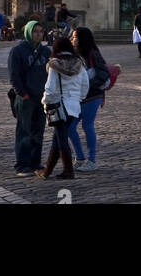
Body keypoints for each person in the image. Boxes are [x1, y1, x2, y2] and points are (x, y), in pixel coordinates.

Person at [36, 36, 89, 180]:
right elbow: (85, 85)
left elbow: (50, 88)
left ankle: (68, 171)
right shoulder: (80, 64)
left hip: (60, 106)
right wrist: (79, 98)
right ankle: (47, 171)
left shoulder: (55, 65)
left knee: (62, 140)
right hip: (74, 106)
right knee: (57, 140)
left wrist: (45, 102)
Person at [8, 21, 50, 176]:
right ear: (28, 33)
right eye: (35, 31)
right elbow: (14, 75)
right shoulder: (18, 51)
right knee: (24, 131)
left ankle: (35, 162)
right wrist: (22, 93)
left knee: (38, 131)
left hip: (42, 97)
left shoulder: (45, 51)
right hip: (25, 97)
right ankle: (22, 164)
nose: (38, 34)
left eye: (40, 31)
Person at [70, 26, 110, 172]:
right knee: (69, 127)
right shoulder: (74, 54)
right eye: (72, 36)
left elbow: (103, 74)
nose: (73, 39)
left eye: (75, 37)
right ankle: (80, 157)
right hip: (78, 97)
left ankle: (92, 160)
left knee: (87, 126)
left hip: (92, 96)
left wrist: (87, 86)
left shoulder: (93, 53)